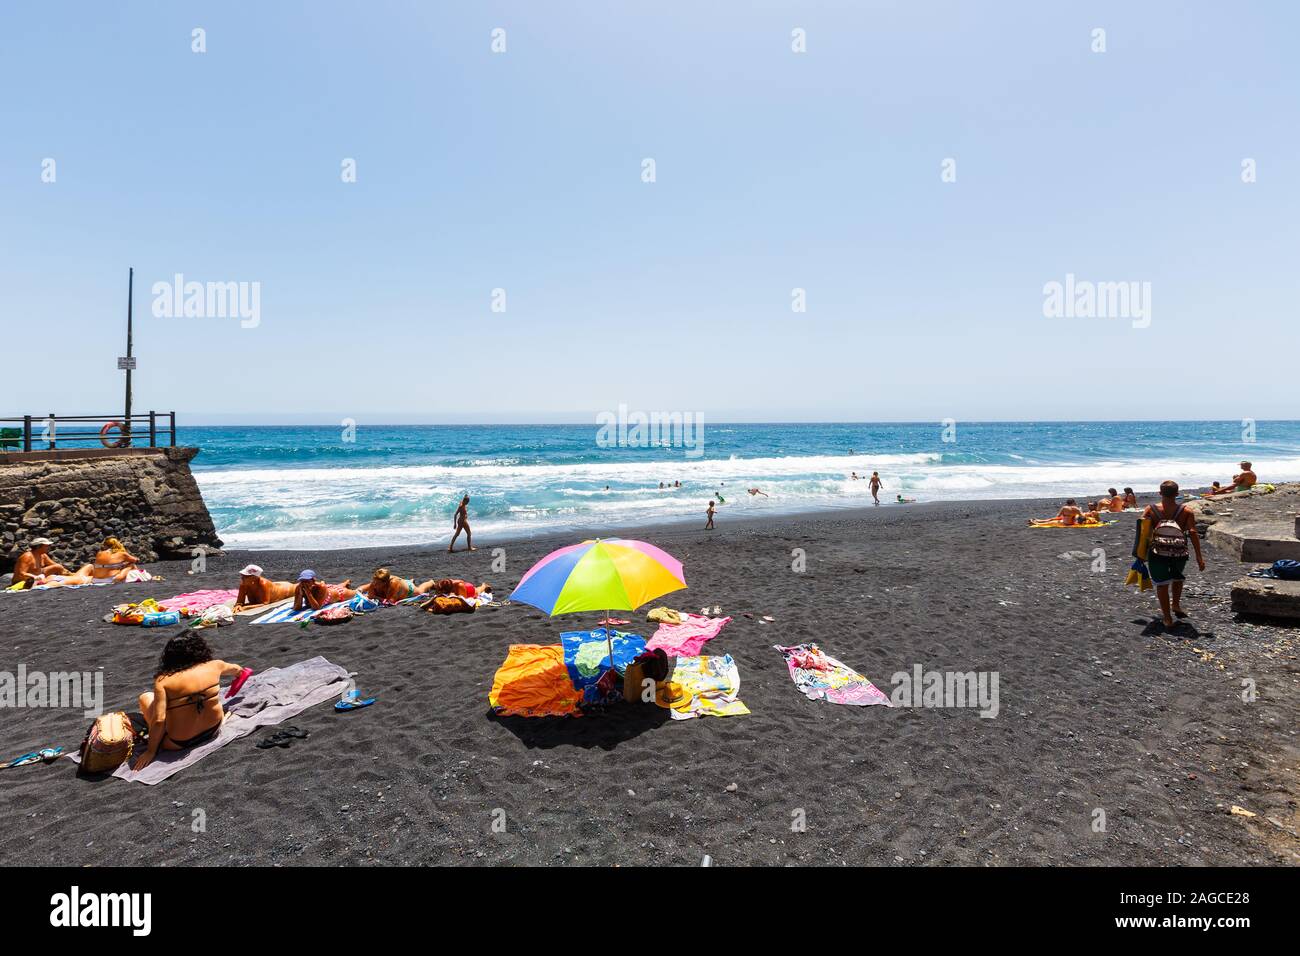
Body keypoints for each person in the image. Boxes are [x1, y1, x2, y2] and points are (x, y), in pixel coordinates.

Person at [132, 633, 246, 771]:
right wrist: (239, 677)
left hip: (179, 743)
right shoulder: (216, 665)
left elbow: (159, 720)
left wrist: (150, 751)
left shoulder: (163, 681)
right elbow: (239, 670)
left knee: (145, 697)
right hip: (213, 729)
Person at [1142, 480, 1206, 628]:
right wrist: (1199, 557)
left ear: (1159, 493)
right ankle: (1176, 604)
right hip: (1180, 551)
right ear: (1177, 494)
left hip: (1157, 552)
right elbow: (1193, 532)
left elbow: (1143, 532)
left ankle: (1167, 618)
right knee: (1177, 577)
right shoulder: (1186, 511)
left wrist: (1140, 554)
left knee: (1162, 584)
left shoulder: (1150, 510)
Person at [11, 537, 79, 588]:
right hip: (25, 581)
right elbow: (21, 573)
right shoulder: (27, 556)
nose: (49, 547)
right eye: (46, 546)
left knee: (57, 567)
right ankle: (72, 580)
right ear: (38, 546)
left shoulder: (43, 555)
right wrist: (35, 577)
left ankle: (73, 578)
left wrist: (69, 573)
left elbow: (56, 565)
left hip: (39, 576)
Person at [362, 567, 434, 602]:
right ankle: (410, 581)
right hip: (400, 585)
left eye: (377, 583)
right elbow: (368, 592)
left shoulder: (393, 583)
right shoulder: (377, 580)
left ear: (385, 582)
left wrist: (374, 596)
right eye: (374, 581)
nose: (374, 583)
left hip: (407, 590)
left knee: (420, 591)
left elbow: (391, 601)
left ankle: (431, 582)